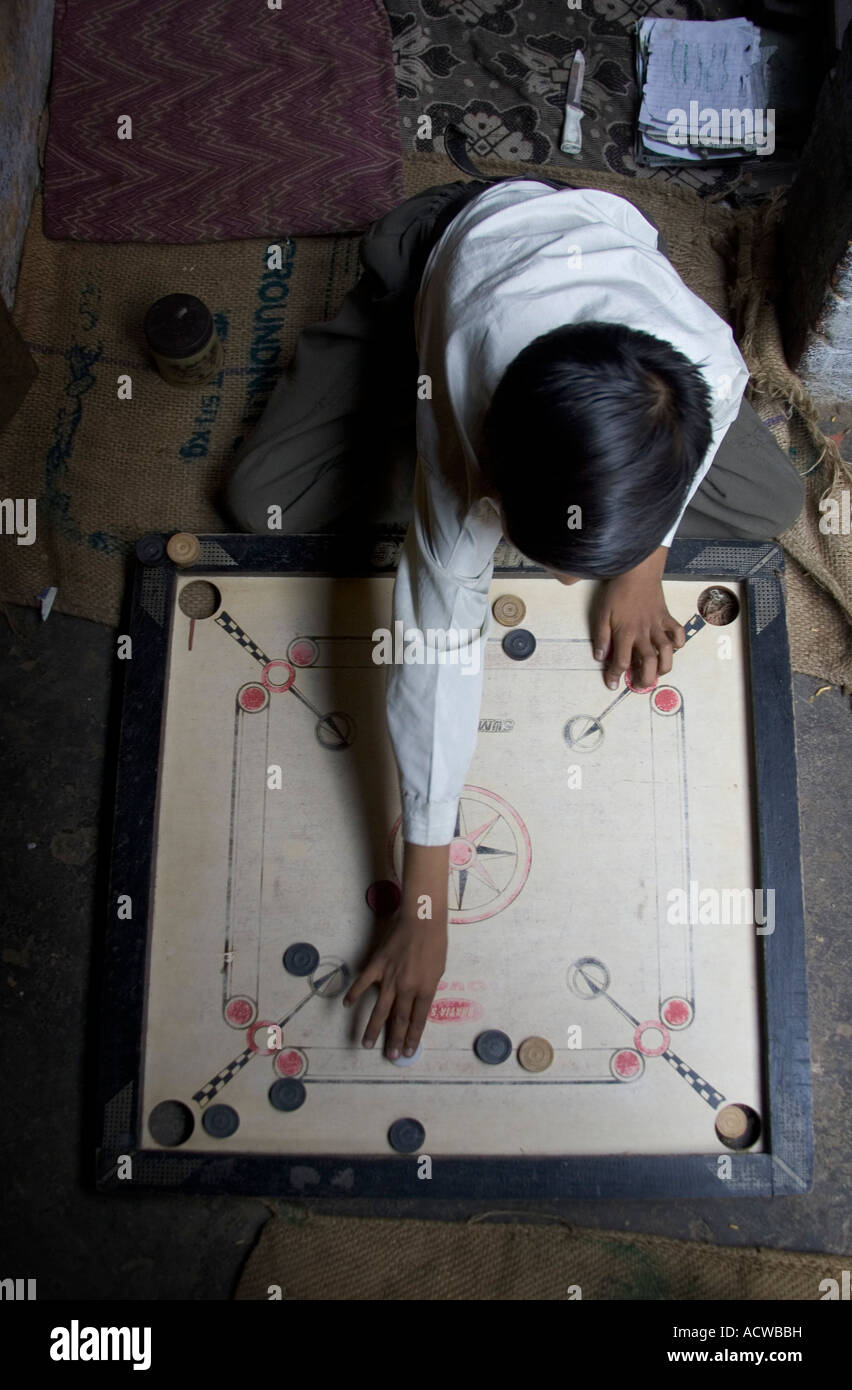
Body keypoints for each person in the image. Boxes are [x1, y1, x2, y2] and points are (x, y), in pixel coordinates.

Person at [226, 158, 804, 1067]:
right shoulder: (466, 431)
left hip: (588, 295)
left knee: (769, 505)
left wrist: (641, 565)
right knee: (267, 504)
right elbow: (435, 648)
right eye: (549, 555)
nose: (572, 592)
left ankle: (572, 505)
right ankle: (390, 321)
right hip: (448, 255)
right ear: (488, 468)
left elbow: (703, 423)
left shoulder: (700, 356)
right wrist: (424, 901)